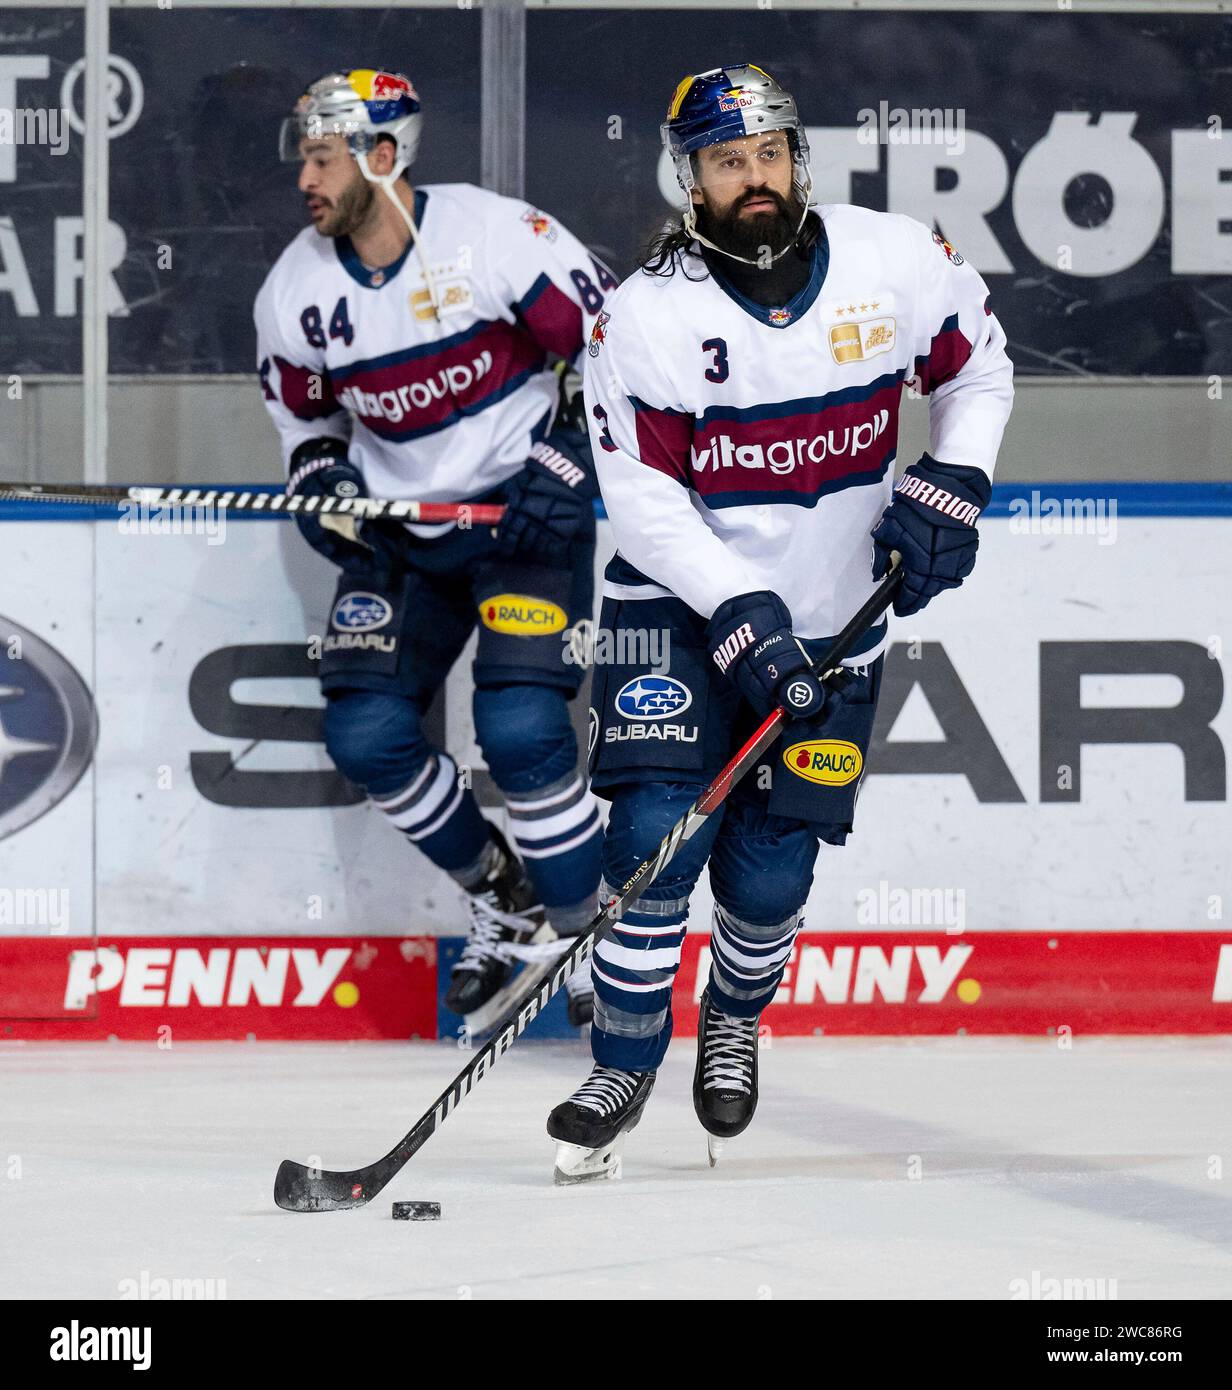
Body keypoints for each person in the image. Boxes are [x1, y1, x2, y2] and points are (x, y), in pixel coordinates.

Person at [548, 63, 1013, 1179]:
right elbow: (643, 499)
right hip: (673, 611)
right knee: (656, 840)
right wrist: (738, 609)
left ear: (795, 158)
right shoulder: (646, 317)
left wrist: (951, 482)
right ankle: (621, 1058)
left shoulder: (894, 261)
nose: (753, 179)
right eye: (725, 162)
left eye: (767, 155)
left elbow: (979, 373)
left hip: (832, 623)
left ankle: (734, 1016)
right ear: (688, 179)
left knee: (768, 873)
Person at [255, 69, 616, 1029]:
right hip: (404, 538)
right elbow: (308, 427)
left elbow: (618, 346)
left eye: (325, 157)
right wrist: (324, 482)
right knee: (366, 735)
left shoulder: (492, 236)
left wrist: (567, 459)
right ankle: (509, 896)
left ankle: (590, 940)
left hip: (521, 520)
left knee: (523, 733)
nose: (306, 177)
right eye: (303, 156)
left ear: (384, 157)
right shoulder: (295, 293)